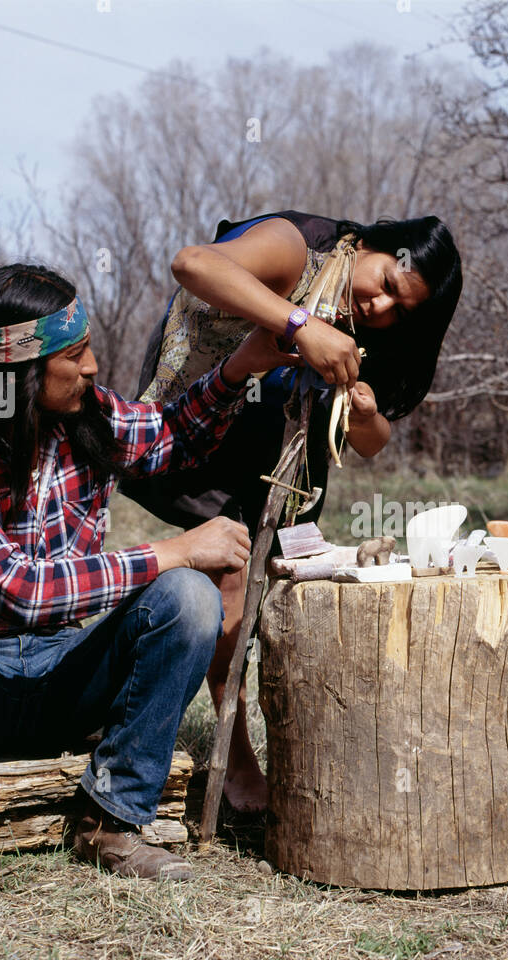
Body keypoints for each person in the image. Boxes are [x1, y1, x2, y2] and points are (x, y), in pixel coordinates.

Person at [0, 264, 302, 908]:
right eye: (75, 355)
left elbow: (172, 435)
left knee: (189, 598)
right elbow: (22, 589)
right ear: (18, 371)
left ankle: (114, 819)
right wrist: (174, 548)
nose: (94, 367)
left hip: (67, 678)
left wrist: (244, 364)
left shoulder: (86, 418)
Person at [123, 211, 463, 814]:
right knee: (231, 574)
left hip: (278, 463)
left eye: (400, 309)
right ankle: (234, 756)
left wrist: (361, 408)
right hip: (193, 425)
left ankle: (286, 745)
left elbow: (372, 441)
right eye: (384, 282)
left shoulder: (365, 330)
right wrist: (300, 324)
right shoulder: (293, 247)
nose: (381, 306)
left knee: (277, 596)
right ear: (370, 245)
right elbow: (193, 264)